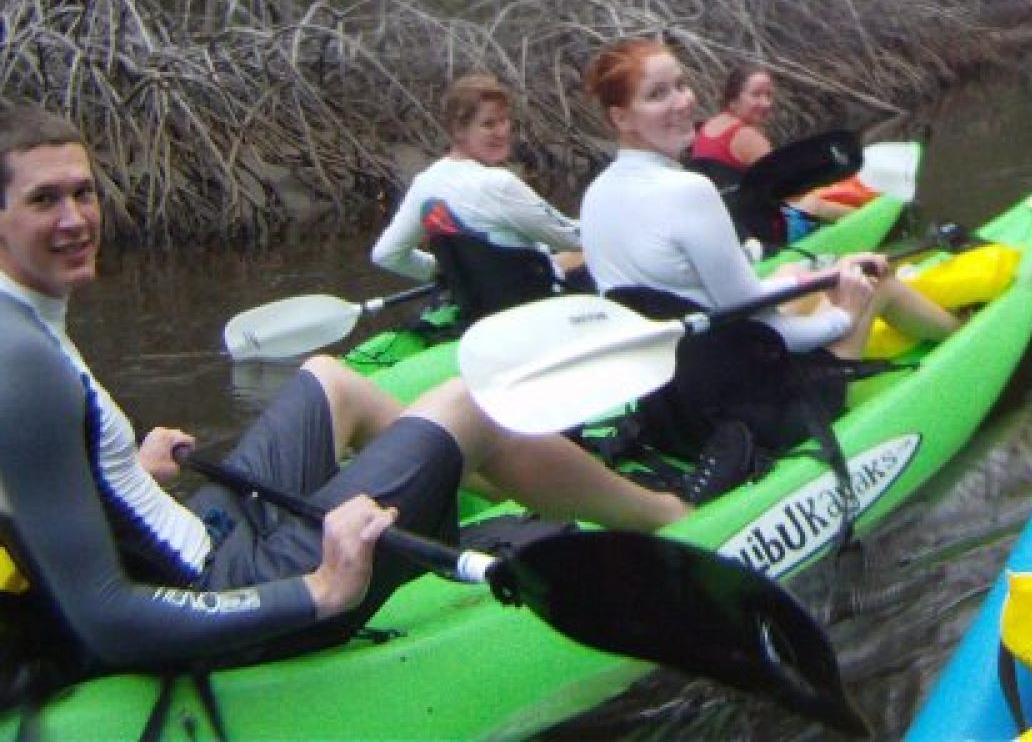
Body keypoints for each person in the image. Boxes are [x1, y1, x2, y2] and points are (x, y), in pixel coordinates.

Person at [0, 103, 686, 679]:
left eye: (82, 192)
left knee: (330, 379)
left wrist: (127, 473)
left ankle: (485, 474)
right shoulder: (21, 360)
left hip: (196, 541)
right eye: (43, 199)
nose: (75, 219)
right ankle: (666, 515)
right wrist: (318, 590)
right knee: (467, 403)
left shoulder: (25, 322)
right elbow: (109, 619)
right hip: (224, 593)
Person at [579, 40, 960, 489]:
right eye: (658, 94)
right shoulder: (688, 192)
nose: (682, 102)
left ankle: (879, 299)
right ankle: (966, 334)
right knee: (872, 279)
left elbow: (722, 309)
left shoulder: (595, 197)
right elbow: (774, 334)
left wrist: (818, 279)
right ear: (621, 118)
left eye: (681, 85)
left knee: (792, 276)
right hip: (755, 411)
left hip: (676, 415)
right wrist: (842, 313)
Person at [370, 73, 585, 287]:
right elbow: (575, 238)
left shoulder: (425, 183)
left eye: (504, 120)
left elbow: (387, 255)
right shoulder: (500, 184)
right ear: (459, 130)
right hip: (532, 300)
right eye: (488, 124)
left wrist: (453, 274)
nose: (502, 132)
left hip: (480, 303)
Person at [690, 64, 861, 225]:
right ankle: (868, 222)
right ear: (733, 99)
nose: (766, 103)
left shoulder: (708, 127)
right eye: (756, 95)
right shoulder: (746, 137)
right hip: (760, 226)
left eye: (769, 95)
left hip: (732, 220)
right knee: (813, 204)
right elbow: (788, 191)